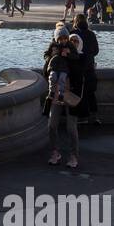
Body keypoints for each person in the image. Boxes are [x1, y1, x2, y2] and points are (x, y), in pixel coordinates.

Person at [42, 25, 86, 168]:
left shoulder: (78, 57)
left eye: (74, 41)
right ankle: (55, 152)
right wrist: (52, 57)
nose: (69, 43)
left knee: (71, 128)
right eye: (64, 39)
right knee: (51, 126)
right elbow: (45, 72)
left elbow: (79, 76)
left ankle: (74, 155)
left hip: (71, 93)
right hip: (56, 94)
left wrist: (70, 58)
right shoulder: (54, 52)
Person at [71, 13, 101, 125]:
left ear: (75, 21)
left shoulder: (73, 34)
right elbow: (96, 51)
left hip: (77, 66)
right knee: (91, 93)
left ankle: (82, 117)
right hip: (89, 66)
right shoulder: (91, 34)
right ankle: (95, 117)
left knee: (79, 92)